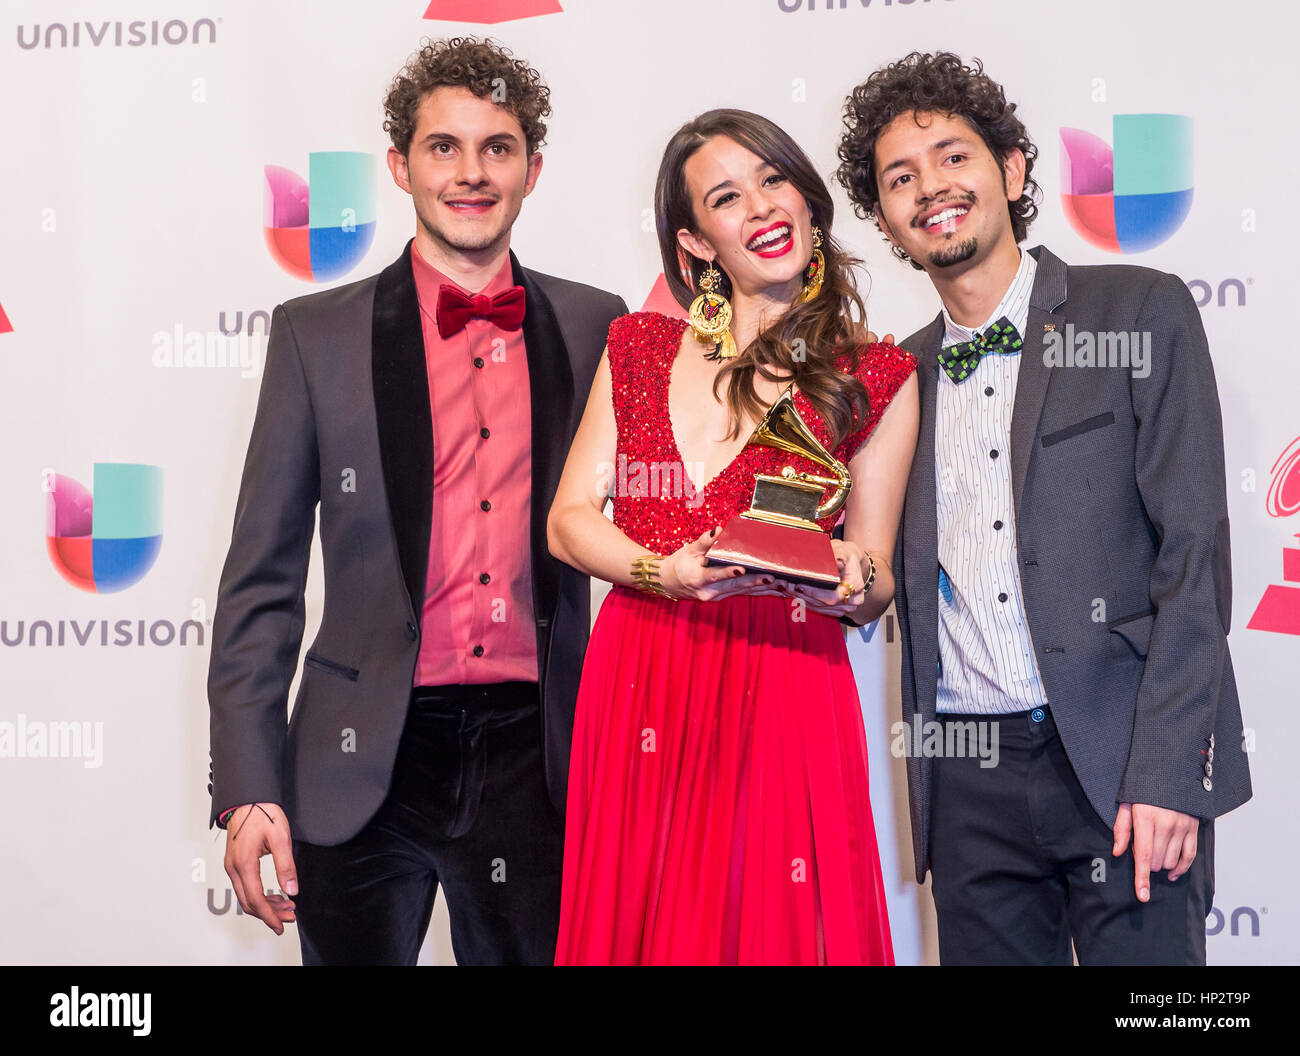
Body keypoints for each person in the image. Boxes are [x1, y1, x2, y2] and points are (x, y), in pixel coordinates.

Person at [206, 36, 627, 965]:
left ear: (533, 168)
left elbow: (655, 514)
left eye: (498, 148)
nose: (471, 174)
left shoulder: (602, 327)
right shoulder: (316, 337)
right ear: (400, 166)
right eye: (444, 147)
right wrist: (246, 786)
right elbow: (261, 582)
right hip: (359, 758)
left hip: (540, 756)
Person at [835, 51, 1252, 965]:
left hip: (1121, 761)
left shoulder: (1137, 310)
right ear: (886, 219)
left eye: (953, 156)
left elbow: (1194, 556)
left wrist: (1170, 771)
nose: (931, 188)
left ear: (1013, 169)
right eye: (900, 177)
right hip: (970, 782)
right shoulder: (891, 381)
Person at [547, 108, 918, 965]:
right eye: (728, 195)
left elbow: (876, 573)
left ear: (808, 199)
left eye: (775, 178)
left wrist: (844, 578)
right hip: (639, 675)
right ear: (698, 241)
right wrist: (657, 570)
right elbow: (569, 523)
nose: (762, 205)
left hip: (782, 682)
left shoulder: (873, 375)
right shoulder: (638, 347)